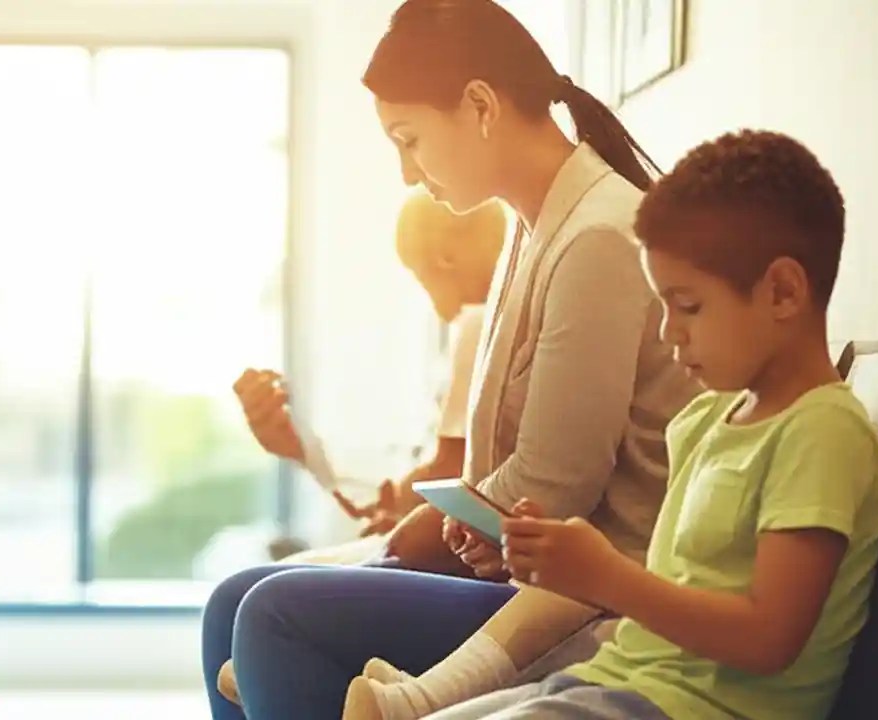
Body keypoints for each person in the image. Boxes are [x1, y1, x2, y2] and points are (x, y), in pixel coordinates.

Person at [201, 1, 697, 718]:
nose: (407, 174)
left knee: (273, 614)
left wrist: (459, 525)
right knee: (231, 602)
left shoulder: (598, 238)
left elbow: (553, 494)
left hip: (587, 603)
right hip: (520, 578)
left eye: (410, 140)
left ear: (480, 106)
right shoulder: (535, 230)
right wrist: (460, 522)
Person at [408, 130, 878, 720]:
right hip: (623, 681)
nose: (667, 332)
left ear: (783, 292)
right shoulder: (707, 419)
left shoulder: (822, 432)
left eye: (688, 307)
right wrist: (559, 557)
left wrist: (607, 576)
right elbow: (678, 585)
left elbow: (769, 639)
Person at [233, 195, 506, 555]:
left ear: (445, 260)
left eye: (421, 277)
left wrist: (388, 505)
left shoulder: (476, 324)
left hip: (459, 545)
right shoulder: (503, 325)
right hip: (462, 538)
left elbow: (448, 468)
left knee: (259, 586)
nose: (433, 301)